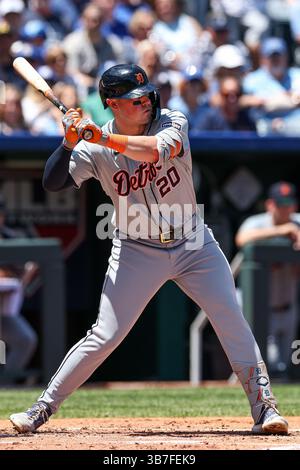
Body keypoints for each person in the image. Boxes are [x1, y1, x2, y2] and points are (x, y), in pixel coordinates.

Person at [10, 63, 288, 435]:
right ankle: (41, 409)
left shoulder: (172, 120)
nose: (145, 102)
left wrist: (99, 137)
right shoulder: (95, 145)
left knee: (230, 319)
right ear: (112, 104)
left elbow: (153, 152)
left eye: (145, 95)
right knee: (105, 334)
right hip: (136, 246)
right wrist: (68, 143)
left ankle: (266, 410)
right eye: (133, 99)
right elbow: (53, 181)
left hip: (192, 239)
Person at [236, 181, 300, 377]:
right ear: (270, 205)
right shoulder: (257, 223)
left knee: (285, 367)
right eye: (281, 204)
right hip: (261, 311)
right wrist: (281, 231)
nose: (285, 209)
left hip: (289, 306)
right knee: (269, 365)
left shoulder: (297, 222)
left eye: (289, 204)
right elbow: (241, 239)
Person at [0, 196, 38, 383]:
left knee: (25, 339)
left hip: (4, 312)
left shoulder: (10, 237)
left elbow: (27, 265)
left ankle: (5, 383)